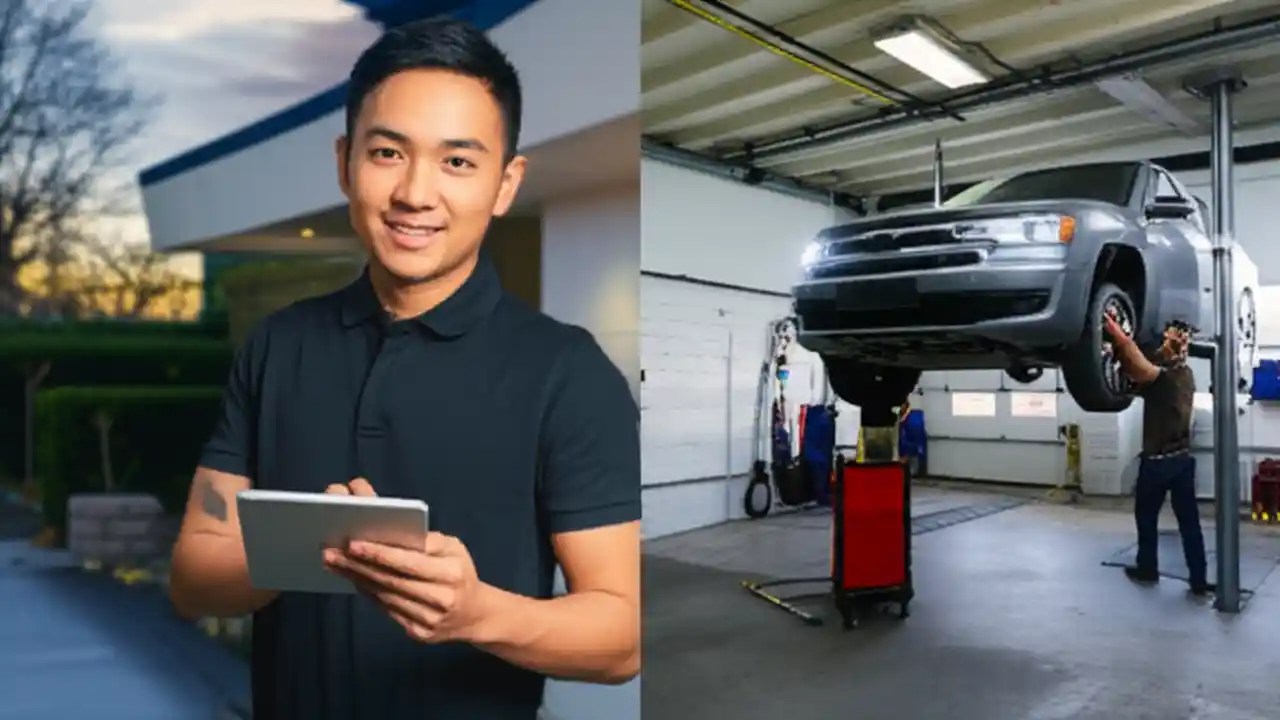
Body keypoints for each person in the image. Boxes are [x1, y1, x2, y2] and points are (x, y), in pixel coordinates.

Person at [166, 17, 641, 720]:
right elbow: (192, 576)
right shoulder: (276, 346)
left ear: (506, 183)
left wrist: (478, 612)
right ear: (344, 160)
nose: (416, 193)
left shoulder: (567, 373)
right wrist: (310, 549)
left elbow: (623, 637)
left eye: (457, 161)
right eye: (388, 152)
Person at [1104, 313, 1213, 597]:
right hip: (1182, 462)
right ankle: (1199, 581)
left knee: (1146, 518)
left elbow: (1139, 367)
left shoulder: (1163, 379)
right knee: (1190, 524)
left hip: (1157, 464)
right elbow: (1138, 377)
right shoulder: (1187, 376)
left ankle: (1147, 569)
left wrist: (1118, 336)